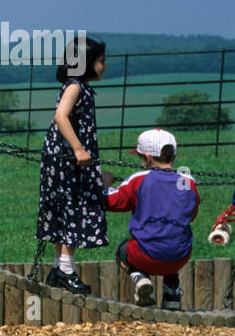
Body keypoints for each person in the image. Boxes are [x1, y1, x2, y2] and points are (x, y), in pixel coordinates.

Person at [36, 36, 108, 293]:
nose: (104, 66)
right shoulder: (74, 87)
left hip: (70, 160)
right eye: (101, 61)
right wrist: (78, 148)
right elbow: (60, 116)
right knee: (72, 208)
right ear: (86, 63)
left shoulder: (82, 87)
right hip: (66, 160)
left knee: (67, 209)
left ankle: (61, 268)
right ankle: (65, 269)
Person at [105, 128, 199, 308]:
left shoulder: (140, 178)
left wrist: (105, 183)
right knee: (171, 239)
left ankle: (141, 279)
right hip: (181, 256)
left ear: (148, 158)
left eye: (141, 158)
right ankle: (172, 294)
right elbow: (192, 213)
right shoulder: (188, 181)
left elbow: (112, 202)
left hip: (145, 256)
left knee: (123, 249)